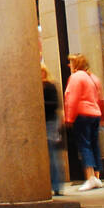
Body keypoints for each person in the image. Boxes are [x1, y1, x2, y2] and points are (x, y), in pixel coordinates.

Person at [64, 54, 104, 191]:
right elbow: (100, 99)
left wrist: (69, 118)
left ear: (77, 64)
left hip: (82, 114)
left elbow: (72, 98)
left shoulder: (76, 78)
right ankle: (97, 177)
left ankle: (90, 177)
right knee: (94, 145)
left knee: (85, 145)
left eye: (71, 62)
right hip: (95, 114)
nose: (69, 65)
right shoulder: (93, 78)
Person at [41, 64, 63, 196]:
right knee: (52, 153)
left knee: (52, 153)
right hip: (48, 121)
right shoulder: (48, 86)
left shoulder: (48, 86)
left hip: (49, 121)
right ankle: (54, 184)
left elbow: (54, 105)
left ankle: (56, 184)